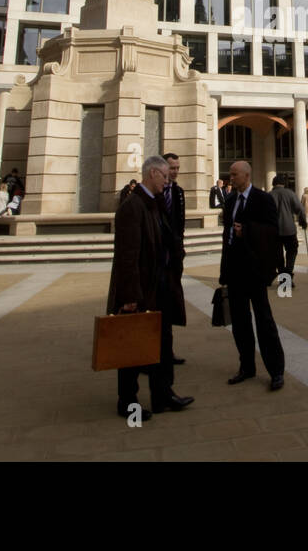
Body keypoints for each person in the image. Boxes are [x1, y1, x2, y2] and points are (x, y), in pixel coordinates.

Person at [105, 155, 192, 421]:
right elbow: (127, 257)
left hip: (161, 287)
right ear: (153, 173)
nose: (168, 181)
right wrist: (129, 296)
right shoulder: (132, 206)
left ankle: (163, 393)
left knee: (163, 344)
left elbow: (168, 238)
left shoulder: (155, 204)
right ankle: (128, 402)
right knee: (133, 348)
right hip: (141, 291)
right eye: (165, 176)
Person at [220, 160, 286, 391]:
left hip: (255, 271)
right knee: (240, 323)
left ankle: (276, 370)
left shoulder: (263, 199)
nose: (231, 178)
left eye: (234, 174)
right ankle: (246, 366)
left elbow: (272, 233)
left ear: (246, 175)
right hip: (235, 271)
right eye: (230, 174)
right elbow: (226, 238)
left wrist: (246, 231)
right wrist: (223, 272)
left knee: (264, 321)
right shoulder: (230, 200)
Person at [162, 152, 188, 366]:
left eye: (178, 168)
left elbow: (180, 224)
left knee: (169, 307)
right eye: (172, 168)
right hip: (157, 261)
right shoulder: (154, 193)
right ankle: (150, 355)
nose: (176, 171)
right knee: (154, 310)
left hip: (173, 260)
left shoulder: (178, 192)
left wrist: (179, 250)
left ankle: (167, 353)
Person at [268, 174, 307, 285]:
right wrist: (302, 221)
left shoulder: (269, 195)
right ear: (283, 184)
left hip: (273, 230)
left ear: (273, 184)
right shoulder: (290, 193)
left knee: (278, 255)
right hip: (288, 229)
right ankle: (288, 273)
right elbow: (300, 209)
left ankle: (283, 276)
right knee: (292, 251)